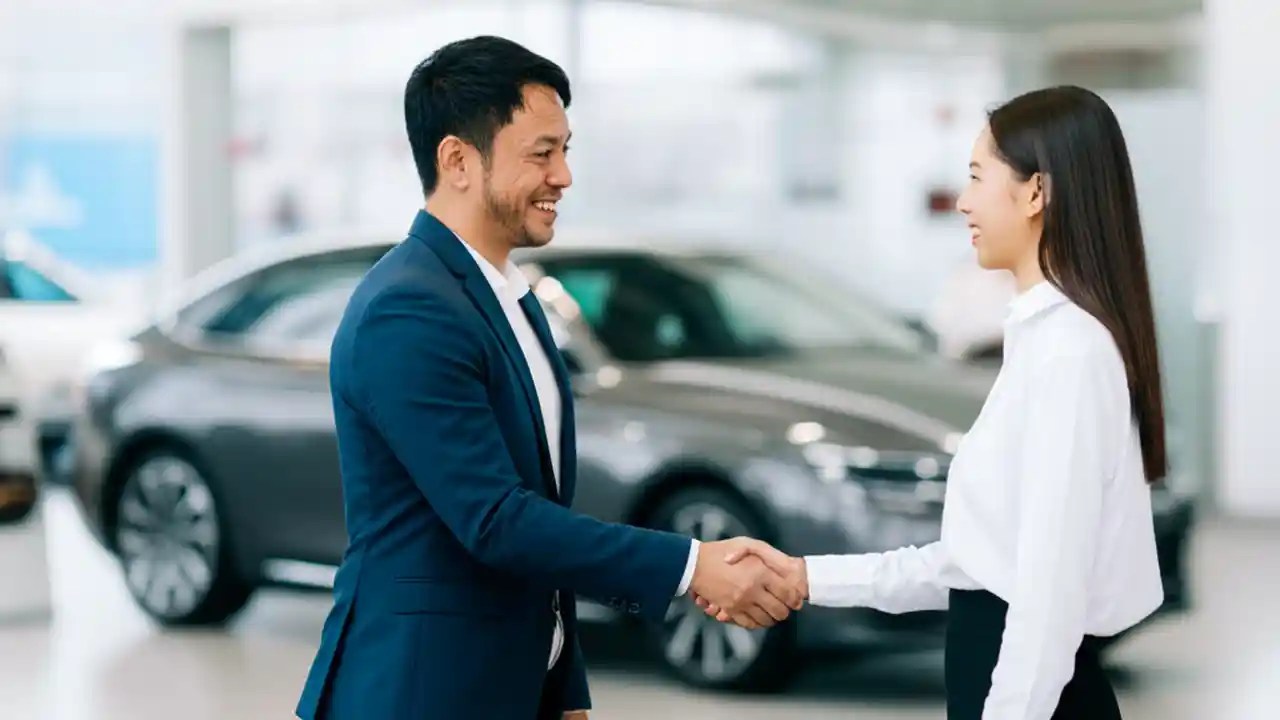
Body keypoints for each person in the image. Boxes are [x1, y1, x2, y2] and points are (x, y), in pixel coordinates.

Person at [294, 36, 802, 720]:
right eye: (541, 153)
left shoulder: (513, 297)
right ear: (458, 160)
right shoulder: (408, 308)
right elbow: (496, 520)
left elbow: (541, 521)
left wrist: (564, 687)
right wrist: (691, 566)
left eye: (566, 150)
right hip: (417, 690)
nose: (563, 175)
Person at [699, 86, 1167, 720]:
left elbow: (1049, 592)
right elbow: (974, 564)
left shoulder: (1070, 352)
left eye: (977, 177)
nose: (965, 202)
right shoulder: (1042, 341)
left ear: (1036, 193)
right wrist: (807, 577)